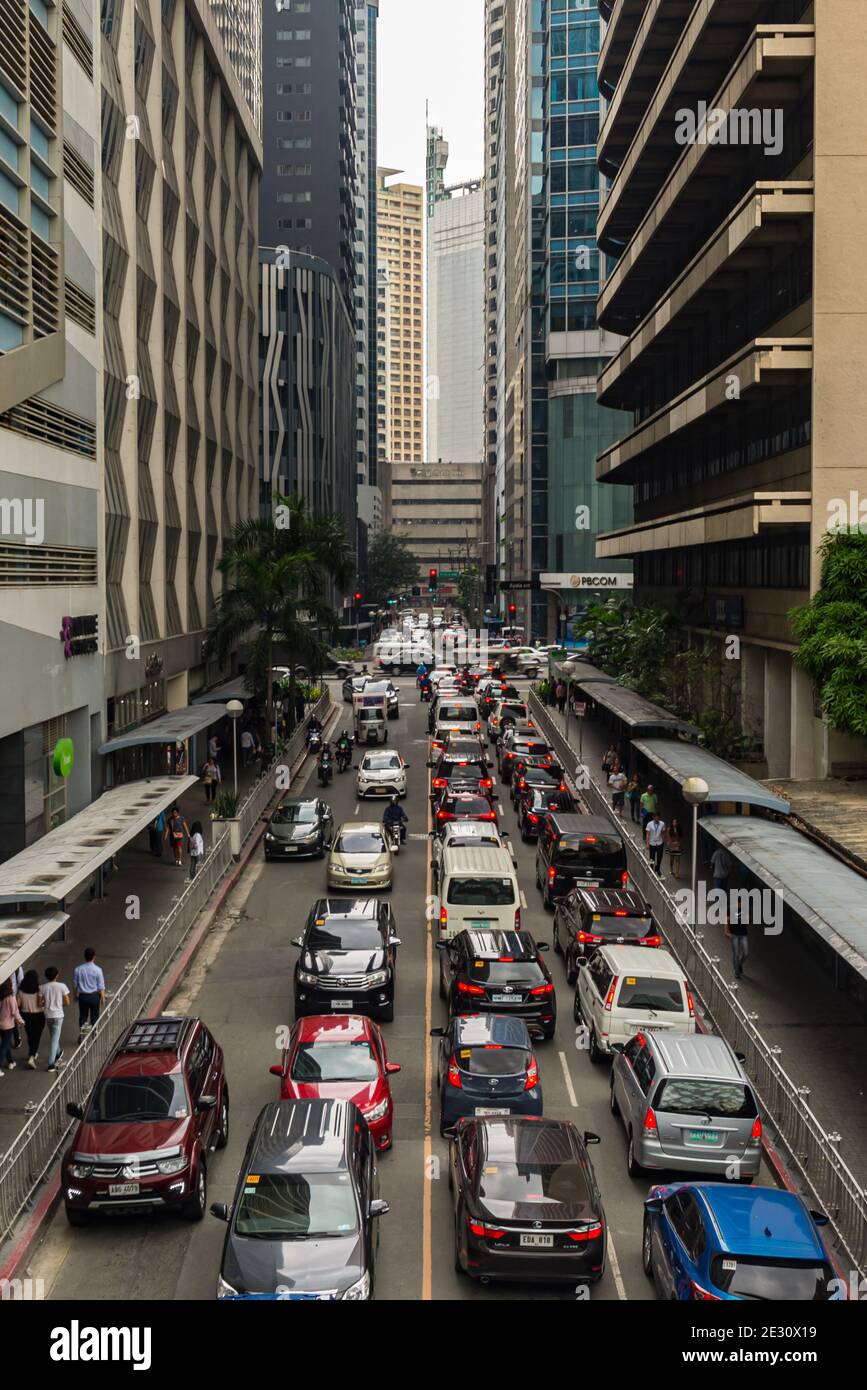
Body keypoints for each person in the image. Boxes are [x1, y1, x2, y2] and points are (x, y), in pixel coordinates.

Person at [72, 947, 106, 1040]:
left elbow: (75, 984)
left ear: (84, 957)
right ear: (94, 957)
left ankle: (82, 1035)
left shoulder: (78, 969)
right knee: (94, 1016)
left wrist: (76, 994)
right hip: (94, 996)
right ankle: (94, 1034)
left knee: (83, 1016)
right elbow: (101, 986)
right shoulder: (98, 970)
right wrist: (102, 997)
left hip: (83, 996)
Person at [42, 967, 70, 1072]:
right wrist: (59, 1004)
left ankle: (58, 1052)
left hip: (48, 1015)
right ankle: (51, 1064)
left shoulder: (43, 987)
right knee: (54, 1038)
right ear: (57, 975)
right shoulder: (62, 986)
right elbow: (67, 1002)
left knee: (53, 1036)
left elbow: (39, 1003)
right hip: (58, 1015)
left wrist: (48, 1003)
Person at [17, 970, 44, 1069]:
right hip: (38, 1015)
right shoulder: (39, 989)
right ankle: (32, 1056)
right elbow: (39, 1003)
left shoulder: (20, 991)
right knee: (37, 1035)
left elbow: (18, 1005)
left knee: (30, 1034)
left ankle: (32, 1052)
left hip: (25, 1015)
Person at [0, 979, 23, 1076]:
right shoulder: (11, 997)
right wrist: (21, 1021)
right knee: (4, 1046)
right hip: (8, 1025)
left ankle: (11, 1062)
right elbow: (15, 1012)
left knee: (6, 1043)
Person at [726, 911, 749, 980]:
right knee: (736, 953)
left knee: (746, 953)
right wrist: (726, 931)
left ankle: (739, 964)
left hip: (743, 934)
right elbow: (727, 921)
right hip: (734, 934)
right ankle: (737, 972)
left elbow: (747, 922)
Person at [645, 811, 667, 876]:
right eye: (655, 818)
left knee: (659, 857)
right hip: (652, 843)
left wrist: (664, 840)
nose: (657, 819)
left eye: (658, 818)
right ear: (653, 817)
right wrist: (647, 843)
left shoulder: (662, 824)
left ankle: (658, 869)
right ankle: (652, 869)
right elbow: (648, 834)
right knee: (652, 858)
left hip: (660, 843)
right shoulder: (649, 824)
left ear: (659, 818)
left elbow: (663, 832)